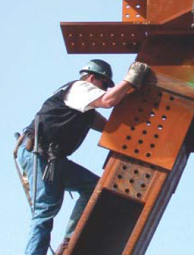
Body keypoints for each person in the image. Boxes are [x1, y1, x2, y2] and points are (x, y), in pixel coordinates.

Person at [16, 59, 150, 255]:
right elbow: (108, 101)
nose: (104, 89)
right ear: (92, 78)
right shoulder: (80, 88)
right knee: (44, 211)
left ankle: (69, 242)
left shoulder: (83, 106)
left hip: (52, 159)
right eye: (104, 84)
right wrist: (129, 81)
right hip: (40, 155)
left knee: (94, 188)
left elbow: (103, 124)